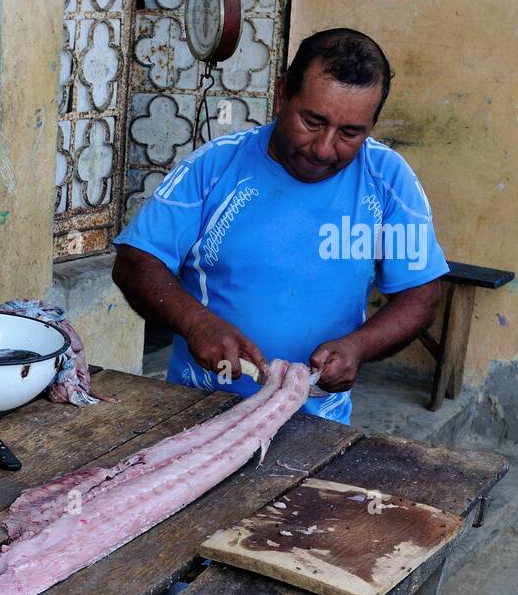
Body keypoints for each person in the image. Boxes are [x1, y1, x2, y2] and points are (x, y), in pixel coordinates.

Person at [112, 28, 447, 423]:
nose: (324, 148)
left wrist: (359, 346)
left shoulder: (389, 180)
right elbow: (136, 261)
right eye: (313, 121)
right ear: (282, 95)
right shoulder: (214, 166)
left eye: (350, 133)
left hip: (317, 423)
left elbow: (420, 295)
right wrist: (195, 322)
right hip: (196, 412)